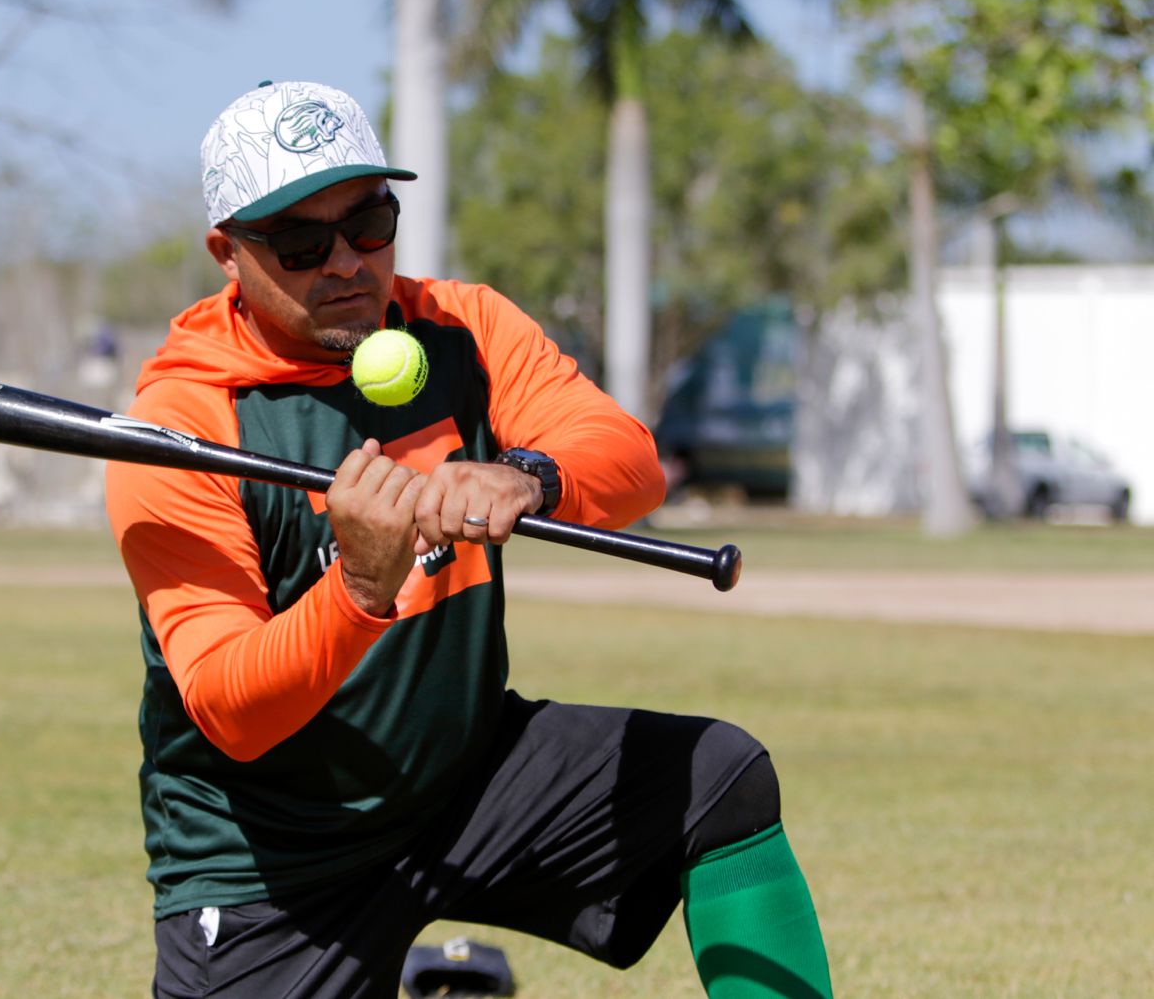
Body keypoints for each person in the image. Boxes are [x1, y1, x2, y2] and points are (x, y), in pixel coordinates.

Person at [104, 80, 833, 999]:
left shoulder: (463, 329)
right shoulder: (181, 423)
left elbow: (630, 459)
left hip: (460, 776)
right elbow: (229, 709)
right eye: (301, 242)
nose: (346, 262)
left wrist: (530, 475)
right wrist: (359, 591)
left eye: (370, 221)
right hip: (272, 855)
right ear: (228, 253)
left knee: (717, 779)